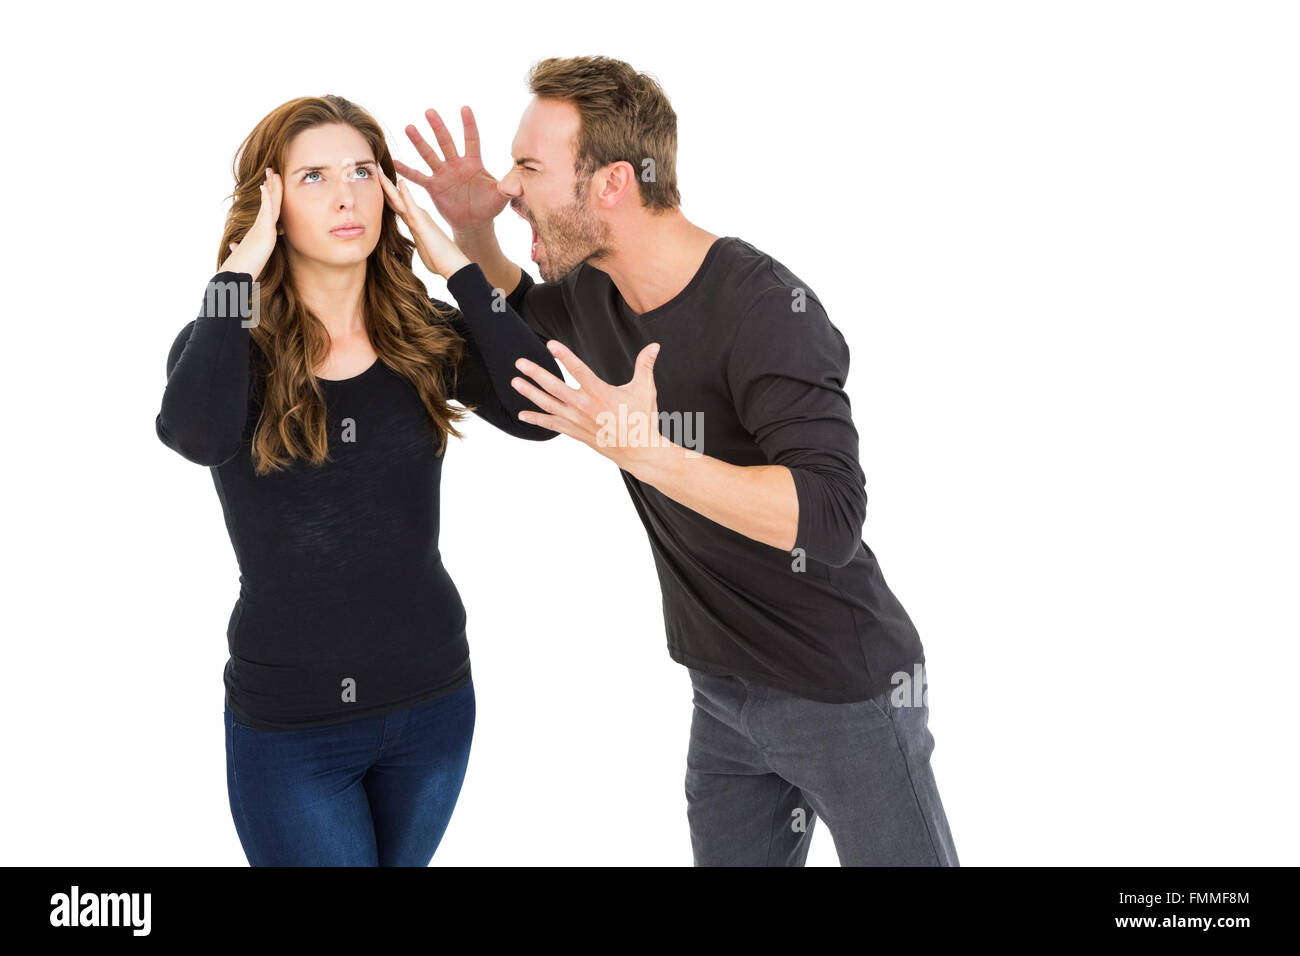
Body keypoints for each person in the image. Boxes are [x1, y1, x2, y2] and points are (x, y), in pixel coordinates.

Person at [394, 57, 960, 866]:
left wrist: (648, 453)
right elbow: (517, 318)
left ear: (612, 183)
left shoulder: (766, 310)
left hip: (846, 692)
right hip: (721, 694)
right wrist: (473, 231)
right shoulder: (594, 289)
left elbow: (830, 515)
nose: (509, 184)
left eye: (529, 168)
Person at [155, 94, 562, 866]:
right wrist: (242, 267)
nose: (346, 195)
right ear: (269, 203)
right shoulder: (226, 342)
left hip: (433, 704)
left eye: (363, 172)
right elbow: (196, 435)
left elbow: (540, 411)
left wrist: (463, 271)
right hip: (292, 727)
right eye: (312, 177)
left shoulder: (425, 336)